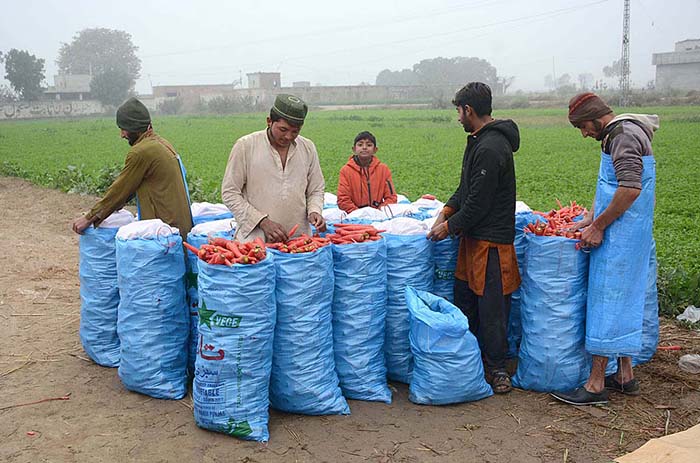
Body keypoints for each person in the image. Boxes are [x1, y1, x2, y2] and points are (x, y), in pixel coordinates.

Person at [551, 93, 659, 406]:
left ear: (596, 117)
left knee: (606, 302)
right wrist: (588, 218)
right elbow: (613, 185)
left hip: (619, 237)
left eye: (583, 126)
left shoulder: (622, 137)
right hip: (631, 234)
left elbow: (629, 188)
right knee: (626, 299)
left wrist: (598, 227)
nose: (584, 133)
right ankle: (625, 375)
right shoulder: (623, 133)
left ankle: (596, 384)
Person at [427, 82, 521, 394]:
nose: (457, 117)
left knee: (492, 309)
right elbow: (467, 188)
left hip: (491, 242)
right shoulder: (478, 142)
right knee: (466, 300)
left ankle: (497, 368)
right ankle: (470, 361)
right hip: (472, 240)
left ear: (469, 110)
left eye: (459, 111)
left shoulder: (492, 147)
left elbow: (479, 203)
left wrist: (448, 228)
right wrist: (447, 209)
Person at [71, 97, 193, 237]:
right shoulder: (162, 143)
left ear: (135, 128)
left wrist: (88, 218)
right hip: (180, 227)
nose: (122, 135)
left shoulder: (141, 152)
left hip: (164, 232)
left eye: (124, 129)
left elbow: (119, 190)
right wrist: (117, 204)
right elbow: (131, 187)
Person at [221, 94, 326, 242]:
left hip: (299, 241)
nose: (288, 136)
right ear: (269, 121)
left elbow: (316, 189)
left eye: (295, 131)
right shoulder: (246, 146)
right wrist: (262, 221)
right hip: (256, 242)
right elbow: (230, 193)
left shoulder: (307, 148)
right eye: (283, 129)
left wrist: (315, 211)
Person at [336, 131, 397, 213]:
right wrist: (359, 214)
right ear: (354, 149)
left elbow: (391, 198)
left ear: (375, 150)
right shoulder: (346, 170)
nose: (364, 147)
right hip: (353, 215)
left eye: (369, 145)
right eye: (360, 145)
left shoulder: (383, 169)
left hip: (378, 214)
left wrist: (379, 212)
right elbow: (343, 199)